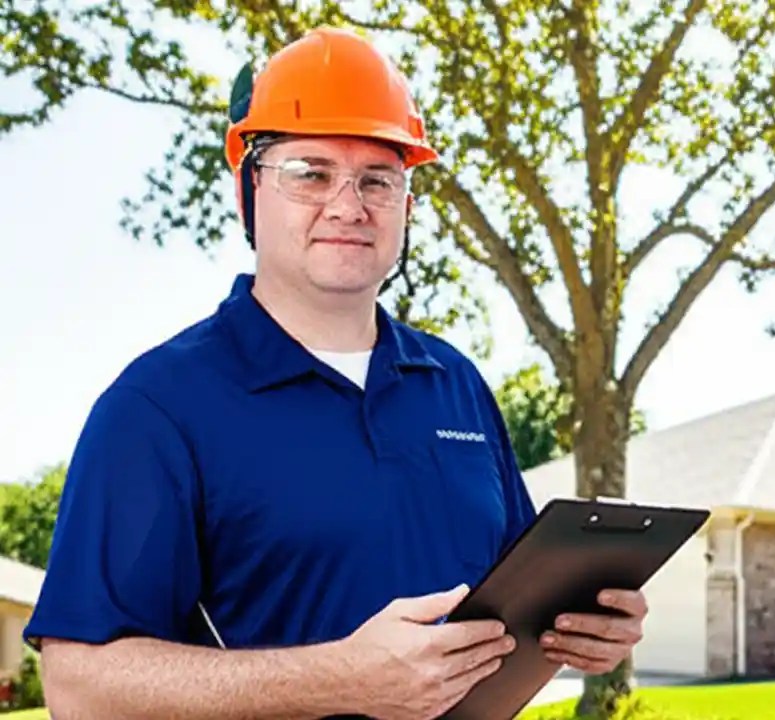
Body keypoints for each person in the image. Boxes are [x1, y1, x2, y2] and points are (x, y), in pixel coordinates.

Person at [24, 27, 647, 720]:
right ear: (248, 188)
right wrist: (337, 680)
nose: (349, 205)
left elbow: (509, 625)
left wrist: (580, 628)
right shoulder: (157, 408)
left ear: (407, 206)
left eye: (378, 179)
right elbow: (78, 691)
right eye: (311, 172)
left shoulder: (456, 386)